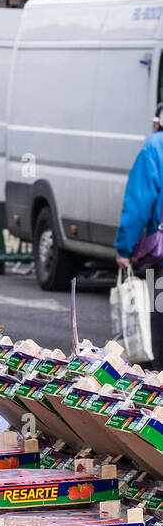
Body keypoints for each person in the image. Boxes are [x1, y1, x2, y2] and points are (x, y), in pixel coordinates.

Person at [114, 102, 163, 363]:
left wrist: (124, 248)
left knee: (159, 327)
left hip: (160, 258)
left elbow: (138, 204)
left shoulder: (156, 146)